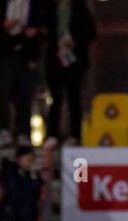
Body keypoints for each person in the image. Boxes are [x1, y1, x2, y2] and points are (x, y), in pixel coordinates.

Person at [0, 0, 46, 146]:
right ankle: (3, 130)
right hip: (5, 51)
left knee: (25, 94)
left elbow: (45, 23)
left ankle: (24, 132)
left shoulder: (37, 4)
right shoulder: (1, 3)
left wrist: (35, 31)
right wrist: (3, 25)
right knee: (2, 92)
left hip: (26, 54)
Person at [44, 0, 96, 143]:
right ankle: (53, 134)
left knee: (74, 97)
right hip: (55, 60)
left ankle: (75, 134)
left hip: (75, 61)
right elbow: (44, 30)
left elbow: (91, 32)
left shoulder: (80, 8)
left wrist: (75, 41)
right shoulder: (49, 8)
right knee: (56, 97)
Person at [0, 145, 42, 221]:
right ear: (18, 159)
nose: (30, 163)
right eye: (28, 160)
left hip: (28, 216)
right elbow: (16, 194)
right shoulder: (10, 173)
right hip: (15, 216)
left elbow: (35, 195)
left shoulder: (30, 174)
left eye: (31, 160)